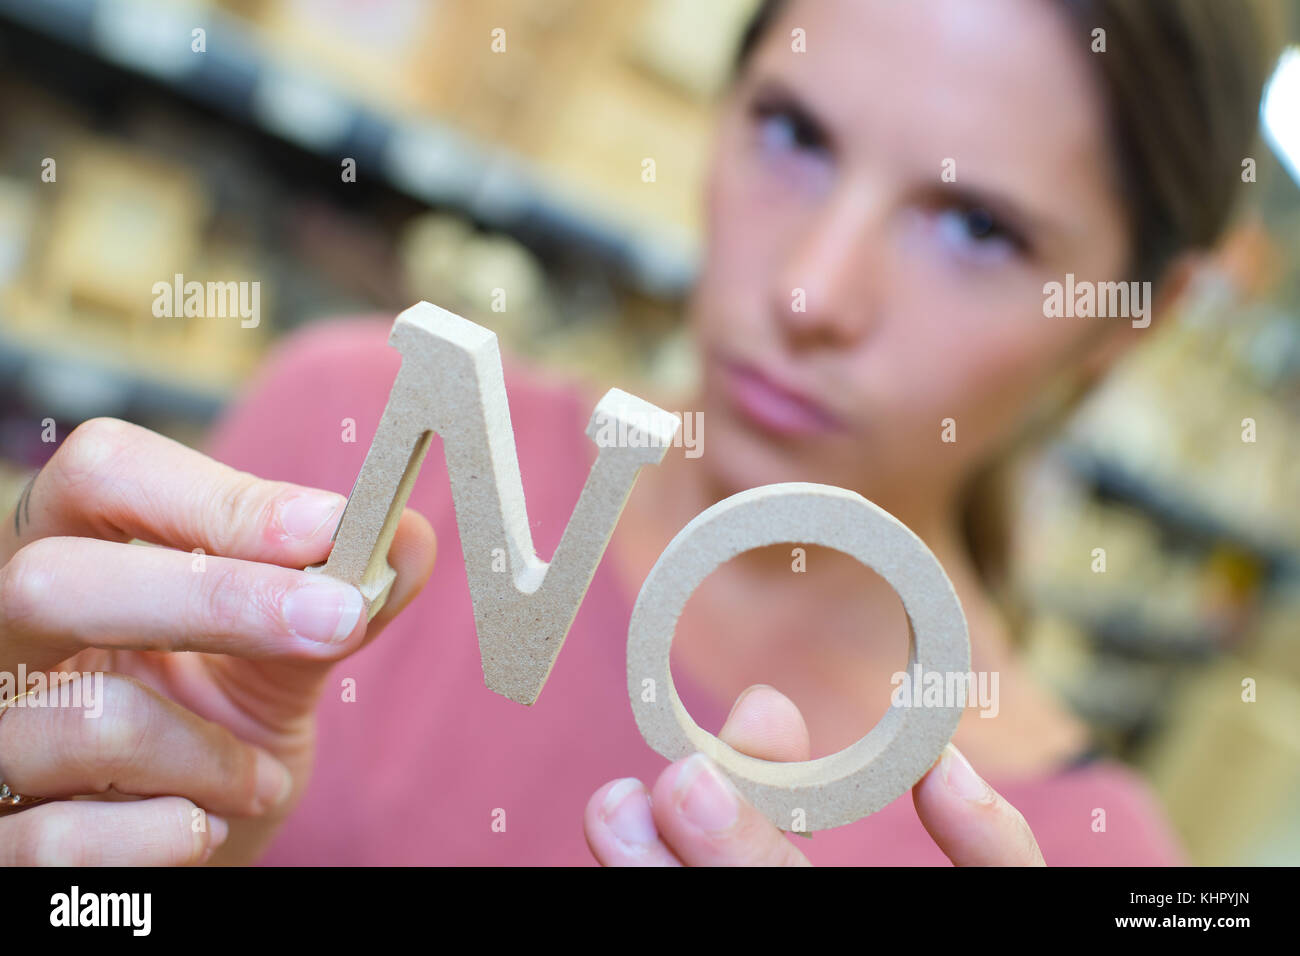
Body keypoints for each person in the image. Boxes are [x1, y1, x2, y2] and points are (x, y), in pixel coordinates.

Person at [0, 0, 1283, 865]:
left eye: (976, 228)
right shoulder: (348, 444)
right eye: (793, 133)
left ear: (1129, 318)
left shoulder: (1080, 844)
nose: (810, 292)